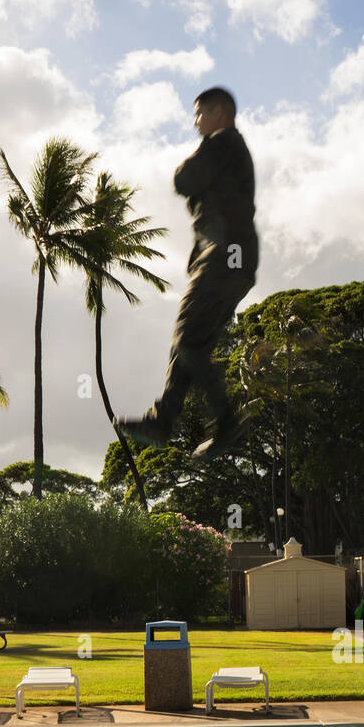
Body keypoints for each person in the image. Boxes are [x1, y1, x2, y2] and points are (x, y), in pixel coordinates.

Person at [116, 86, 260, 461]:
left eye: (199, 114)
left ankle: (224, 422)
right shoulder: (233, 151)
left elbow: (184, 179)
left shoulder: (222, 143)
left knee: (186, 339)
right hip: (236, 260)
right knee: (192, 344)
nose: (195, 121)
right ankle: (162, 422)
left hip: (226, 255)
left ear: (218, 112)